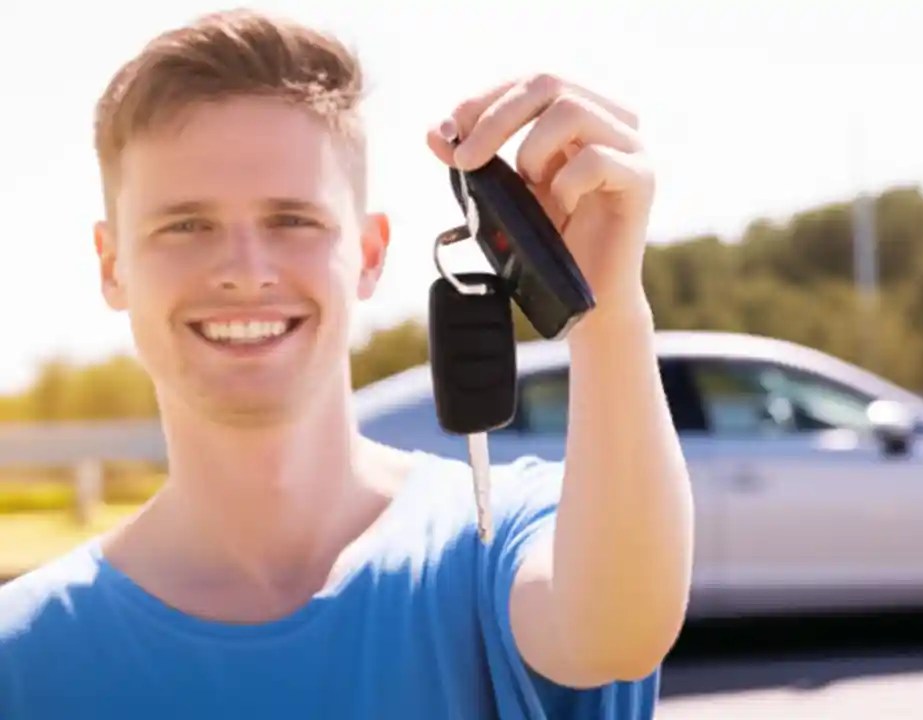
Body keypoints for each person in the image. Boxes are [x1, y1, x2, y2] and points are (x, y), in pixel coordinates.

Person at [0, 8, 694, 719]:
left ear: (368, 253)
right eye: (186, 225)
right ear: (113, 266)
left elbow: (613, 633)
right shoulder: (21, 656)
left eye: (291, 220)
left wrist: (606, 306)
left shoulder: (500, 539)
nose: (245, 270)